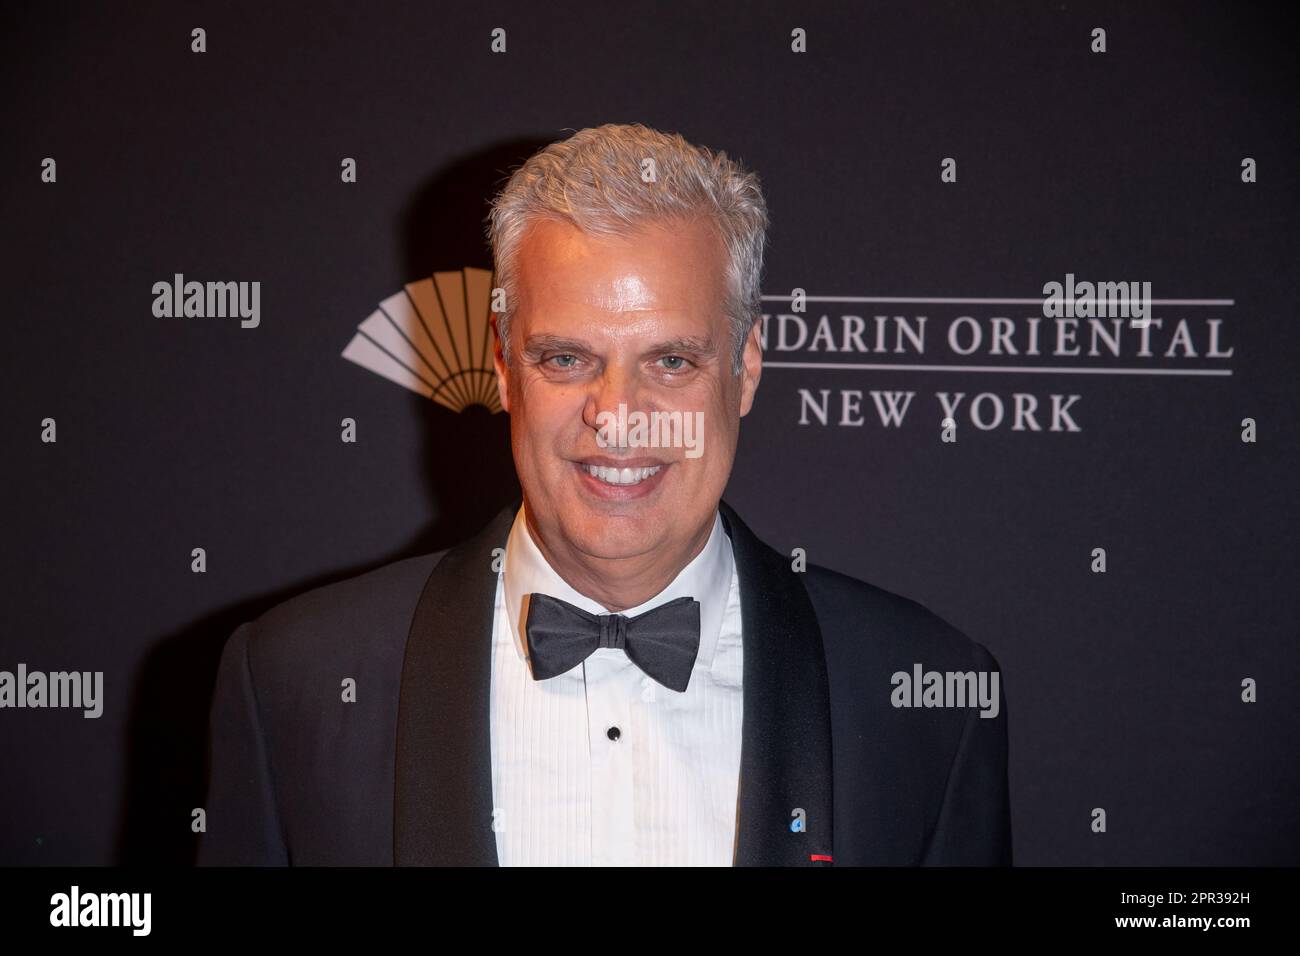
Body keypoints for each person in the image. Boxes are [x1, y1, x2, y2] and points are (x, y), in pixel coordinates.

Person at [197, 122, 1011, 866]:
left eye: (671, 362)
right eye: (565, 359)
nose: (617, 418)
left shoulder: (925, 695)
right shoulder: (293, 681)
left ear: (746, 369)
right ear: (503, 365)